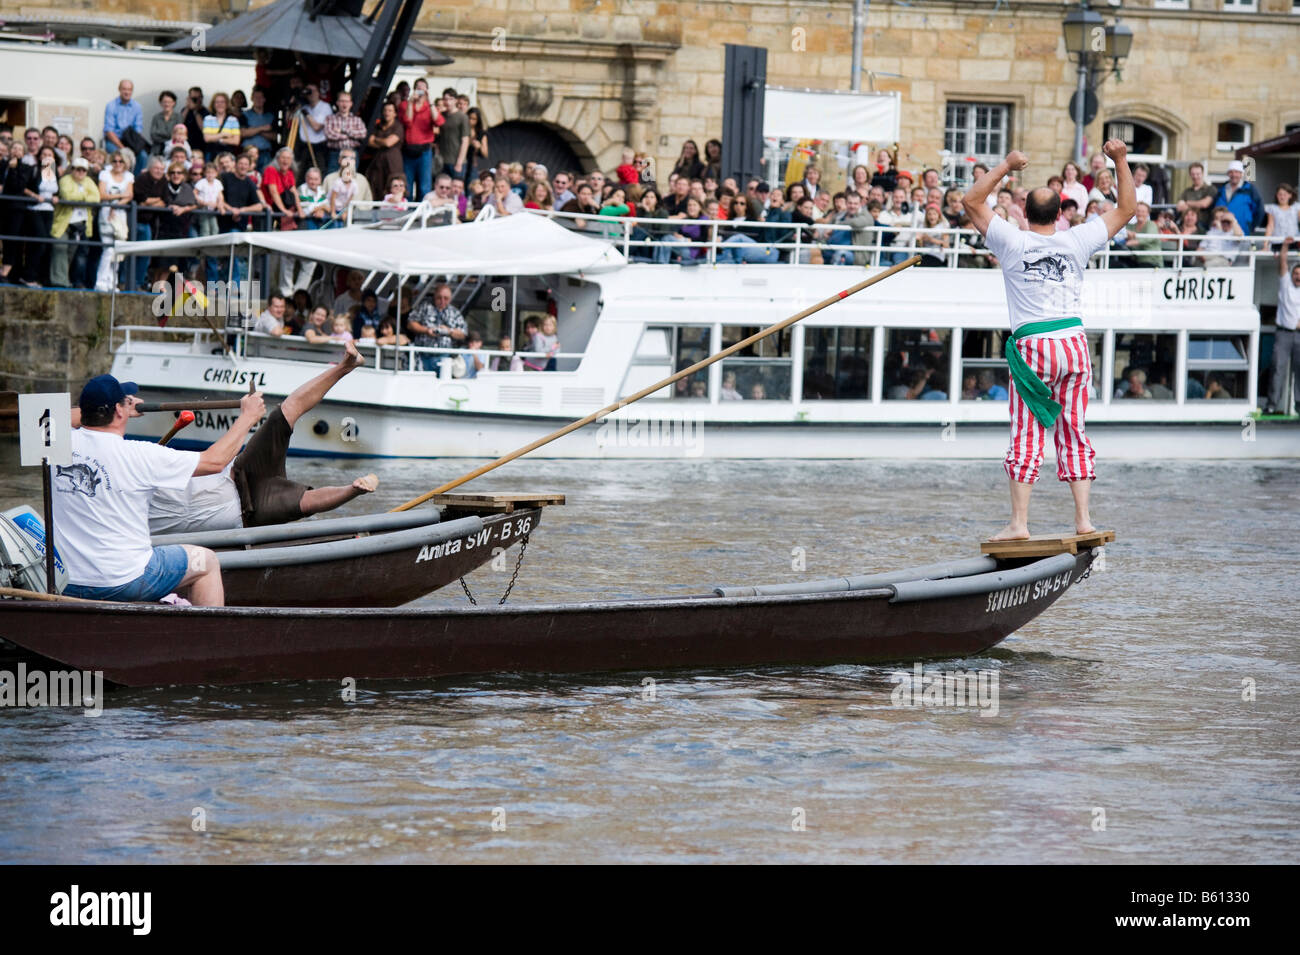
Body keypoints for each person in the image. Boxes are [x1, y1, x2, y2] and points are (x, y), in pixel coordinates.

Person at [962, 139, 1136, 541]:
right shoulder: (1077, 239)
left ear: (1023, 212)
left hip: (1034, 345)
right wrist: (1121, 160)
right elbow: (1127, 209)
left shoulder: (1010, 240)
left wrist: (1007, 164)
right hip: (1073, 343)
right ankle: (1083, 520)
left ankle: (1019, 524)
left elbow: (972, 201)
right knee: (1073, 430)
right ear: (1061, 215)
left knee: (1027, 433)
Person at [57, 374, 266, 605]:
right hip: (125, 580)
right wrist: (249, 416)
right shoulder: (140, 455)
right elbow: (216, 462)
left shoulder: (55, 442)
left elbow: (55, 415)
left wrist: (119, 408)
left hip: (65, 580)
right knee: (207, 562)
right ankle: (207, 638)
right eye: (125, 401)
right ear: (117, 410)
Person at [149, 342, 378, 540]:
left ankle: (346, 365)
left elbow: (214, 461)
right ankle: (354, 489)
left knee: (286, 411)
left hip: (238, 472)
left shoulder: (138, 466)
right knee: (305, 503)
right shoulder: (130, 522)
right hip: (247, 513)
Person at [1266, 236, 1300, 415]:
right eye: (1296, 274)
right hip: (1283, 333)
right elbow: (1283, 264)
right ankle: (1272, 404)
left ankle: (1299, 404)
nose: (1298, 277)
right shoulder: (1286, 284)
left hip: (1299, 335)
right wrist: (1285, 246)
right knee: (1277, 367)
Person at [406, 282, 467, 371]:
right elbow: (410, 324)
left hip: (445, 358)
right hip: (423, 356)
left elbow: (463, 334)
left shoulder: (455, 313)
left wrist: (449, 331)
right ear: (434, 296)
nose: (442, 301)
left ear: (450, 298)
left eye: (446, 298)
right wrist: (426, 330)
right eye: (439, 298)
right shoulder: (424, 307)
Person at [366, 101, 404, 201]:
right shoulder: (378, 126)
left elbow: (388, 143)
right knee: (377, 185)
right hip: (378, 160)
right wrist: (383, 141)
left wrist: (377, 139)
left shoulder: (398, 126)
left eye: (390, 110)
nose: (387, 113)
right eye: (385, 110)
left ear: (395, 113)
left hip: (393, 161)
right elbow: (369, 142)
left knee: (393, 185)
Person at [1214, 159, 1265, 235]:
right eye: (1231, 172)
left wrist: (1251, 227)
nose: (1234, 175)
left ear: (1241, 174)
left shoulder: (1250, 189)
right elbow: (1215, 209)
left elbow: (1259, 210)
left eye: (1237, 172)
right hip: (1222, 233)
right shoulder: (1221, 189)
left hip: (1243, 233)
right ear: (1228, 174)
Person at [1177, 161, 1217, 232]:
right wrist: (1198, 205)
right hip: (1187, 227)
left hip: (1204, 227)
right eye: (1193, 174)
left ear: (1202, 174)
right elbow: (1179, 207)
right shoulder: (1186, 191)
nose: (1195, 176)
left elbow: (1204, 204)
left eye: (1198, 174)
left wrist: (1188, 203)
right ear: (1190, 175)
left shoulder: (1210, 189)